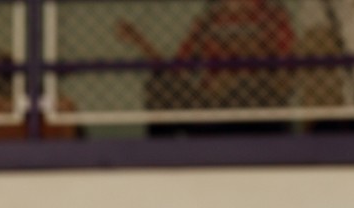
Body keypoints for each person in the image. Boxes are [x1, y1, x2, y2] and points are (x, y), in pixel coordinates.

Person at [116, 0, 295, 135]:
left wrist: (241, 53)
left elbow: (284, 63)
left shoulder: (273, 15)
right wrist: (139, 41)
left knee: (248, 84)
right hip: (212, 104)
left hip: (253, 103)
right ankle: (157, 160)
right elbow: (177, 70)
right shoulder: (209, 19)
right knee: (161, 86)